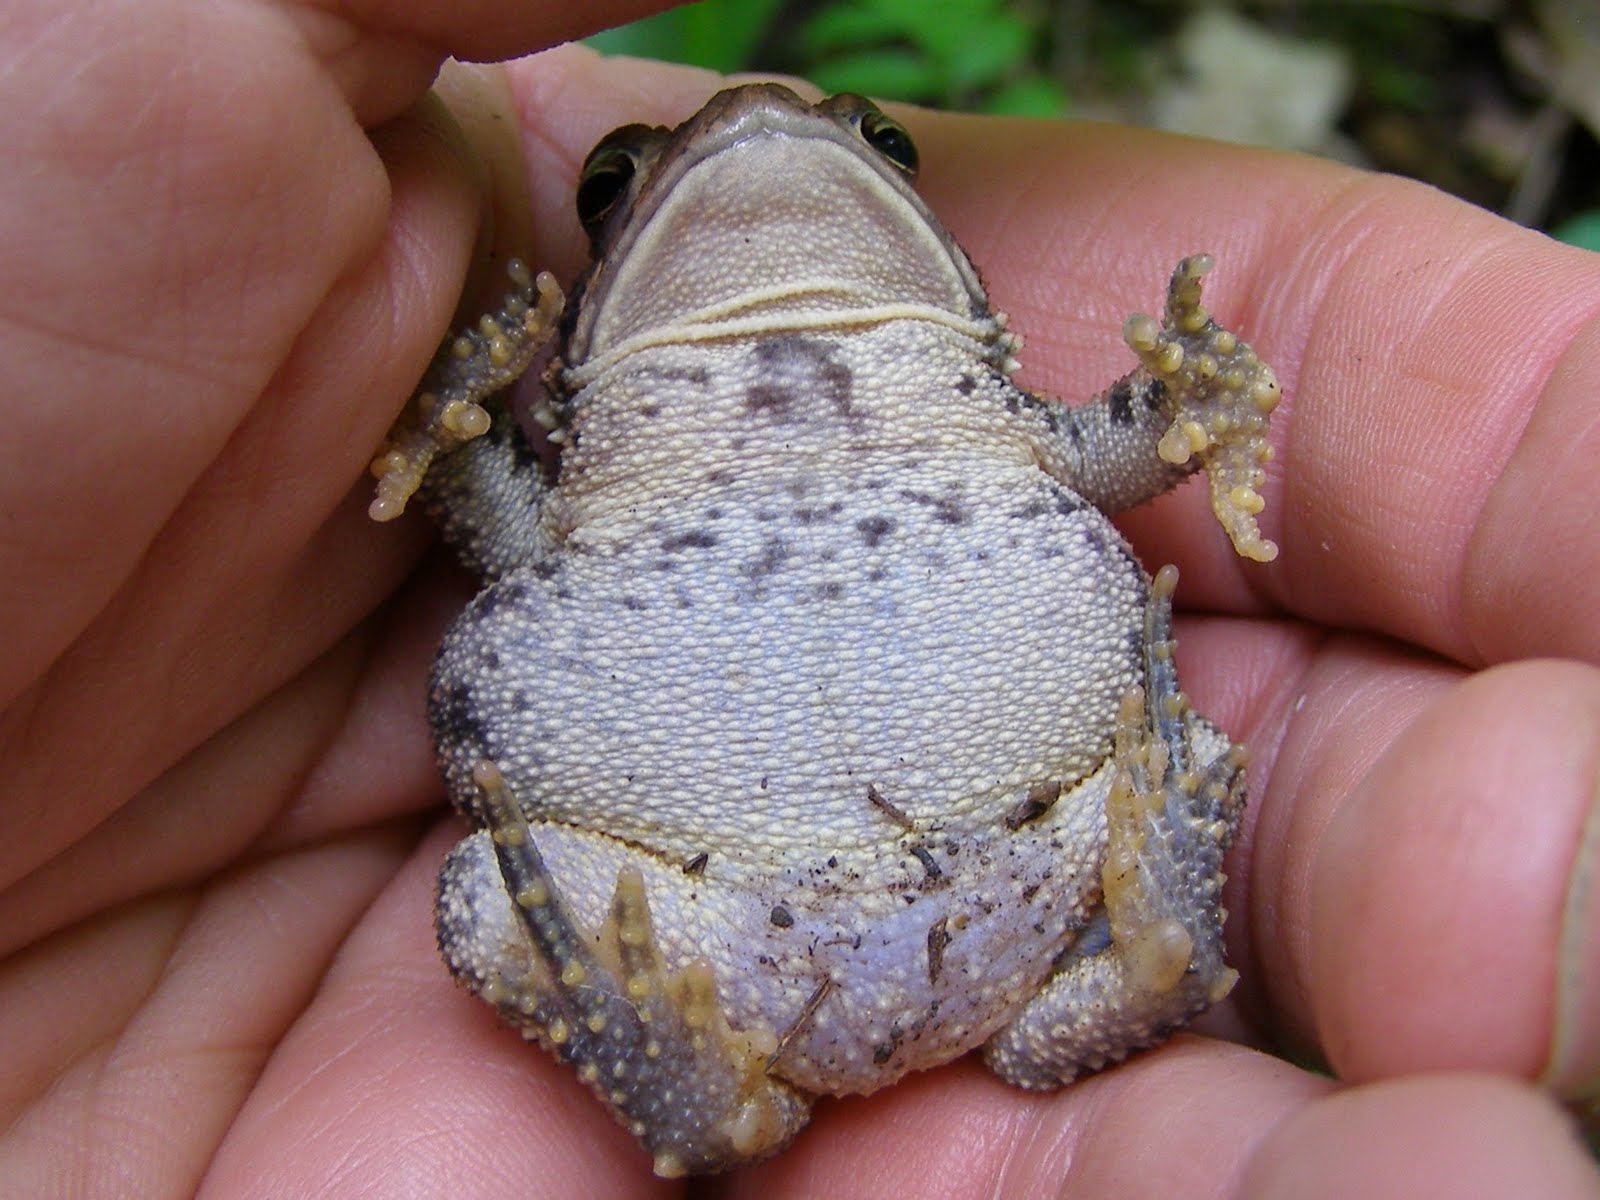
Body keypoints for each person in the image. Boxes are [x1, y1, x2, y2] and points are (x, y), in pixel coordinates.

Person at [2, 1, 1596, 1195]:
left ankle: (1149, 967)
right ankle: (702, 1099)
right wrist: (460, 422)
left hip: (1020, 890)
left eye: (878, 144)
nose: (759, 135)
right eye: (626, 176)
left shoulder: (980, 393)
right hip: (705, 934)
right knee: (485, 905)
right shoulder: (594, 436)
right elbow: (489, 520)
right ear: (604, 241)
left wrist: (1185, 404)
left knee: (1148, 854)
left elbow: (1119, 447)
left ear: (921, 219)